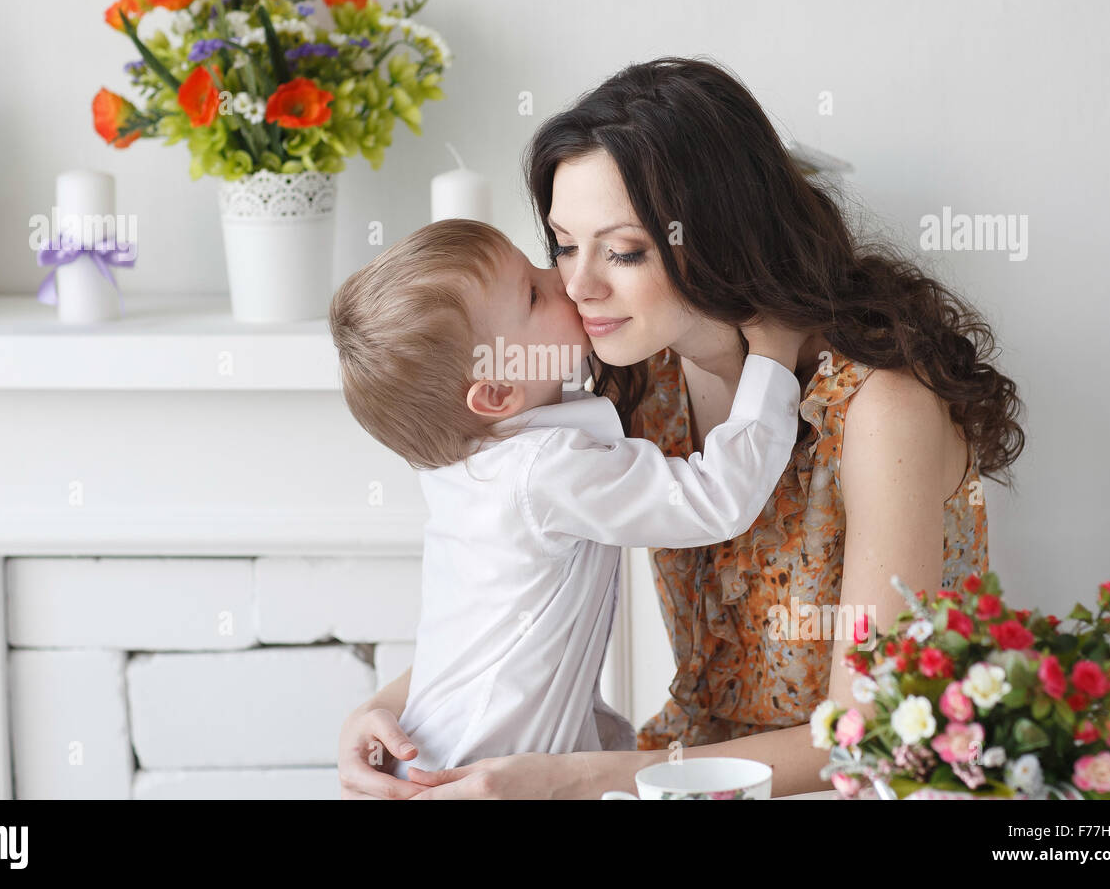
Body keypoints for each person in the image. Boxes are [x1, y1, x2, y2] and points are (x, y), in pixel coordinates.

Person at [339, 56, 1025, 799]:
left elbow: (869, 737)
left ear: (722, 239)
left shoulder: (879, 409)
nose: (577, 285)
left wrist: (568, 780)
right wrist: (383, 711)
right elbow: (504, 597)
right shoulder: (637, 383)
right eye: (564, 246)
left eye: (624, 251)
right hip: (675, 774)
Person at [329, 216, 808, 784]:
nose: (565, 281)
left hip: (444, 751)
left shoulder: (468, 462)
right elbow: (714, 500)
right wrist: (773, 358)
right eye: (534, 294)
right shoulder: (542, 470)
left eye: (539, 261)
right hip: (478, 775)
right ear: (499, 390)